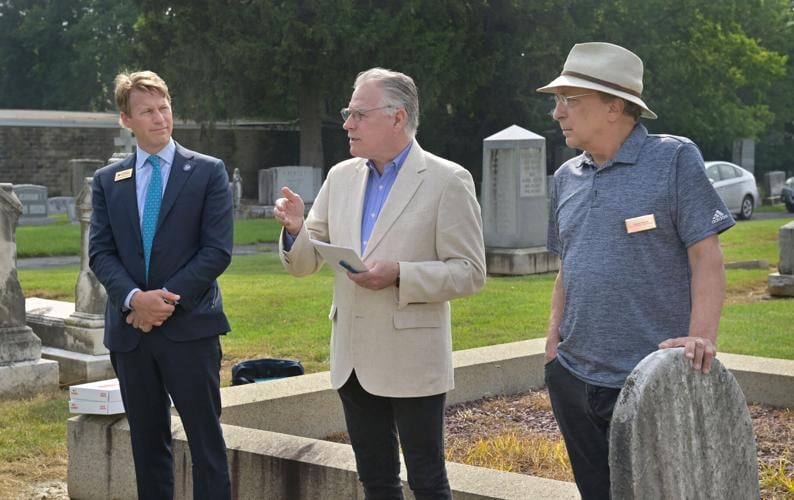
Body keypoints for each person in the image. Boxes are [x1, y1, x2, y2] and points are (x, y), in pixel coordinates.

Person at [273, 67, 486, 499]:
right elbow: (304, 264)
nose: (347, 123)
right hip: (352, 358)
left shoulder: (448, 180)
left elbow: (469, 271)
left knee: (427, 482)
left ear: (396, 117)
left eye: (357, 114)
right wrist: (296, 230)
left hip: (413, 359)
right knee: (376, 482)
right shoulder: (341, 176)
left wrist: (401, 274)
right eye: (347, 113)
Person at [537, 42, 735, 499]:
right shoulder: (566, 176)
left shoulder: (674, 160)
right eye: (557, 101)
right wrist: (553, 344)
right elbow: (567, 265)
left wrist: (701, 336)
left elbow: (706, 256)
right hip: (573, 376)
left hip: (650, 381)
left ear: (615, 106)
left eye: (570, 100)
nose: (557, 113)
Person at [89, 70, 233, 500]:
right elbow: (101, 252)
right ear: (125, 120)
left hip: (189, 329)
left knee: (207, 446)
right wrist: (135, 299)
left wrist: (162, 301)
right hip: (132, 335)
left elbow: (216, 251)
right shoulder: (107, 181)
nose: (159, 118)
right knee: (147, 446)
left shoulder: (207, 172)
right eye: (147, 111)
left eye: (164, 107)